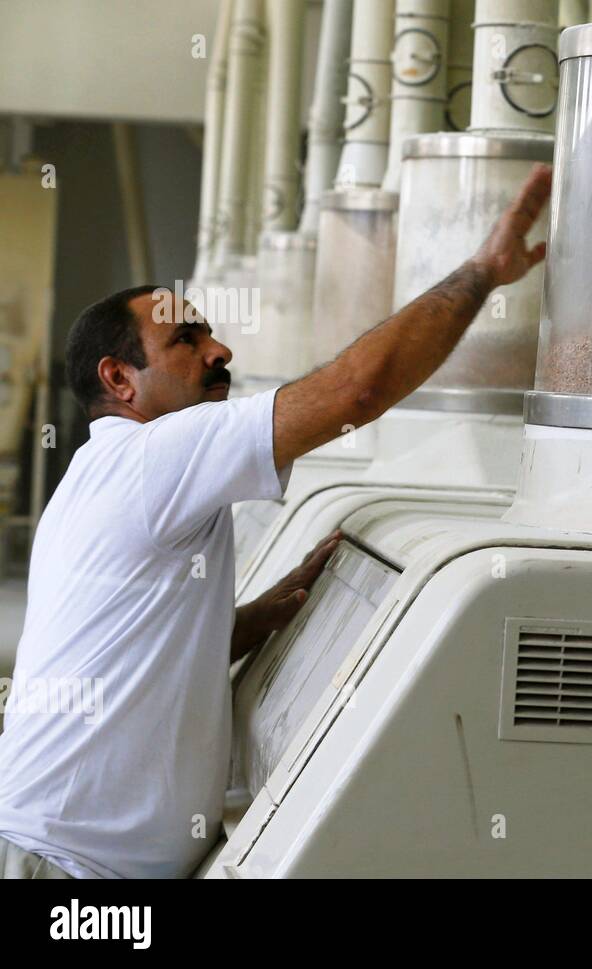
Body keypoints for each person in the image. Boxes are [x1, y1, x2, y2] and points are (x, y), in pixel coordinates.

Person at [0, 165, 552, 879]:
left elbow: (130, 641)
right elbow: (359, 388)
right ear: (119, 379)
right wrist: (482, 271)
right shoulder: (153, 457)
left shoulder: (101, 477)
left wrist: (255, 617)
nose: (219, 350)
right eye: (187, 340)